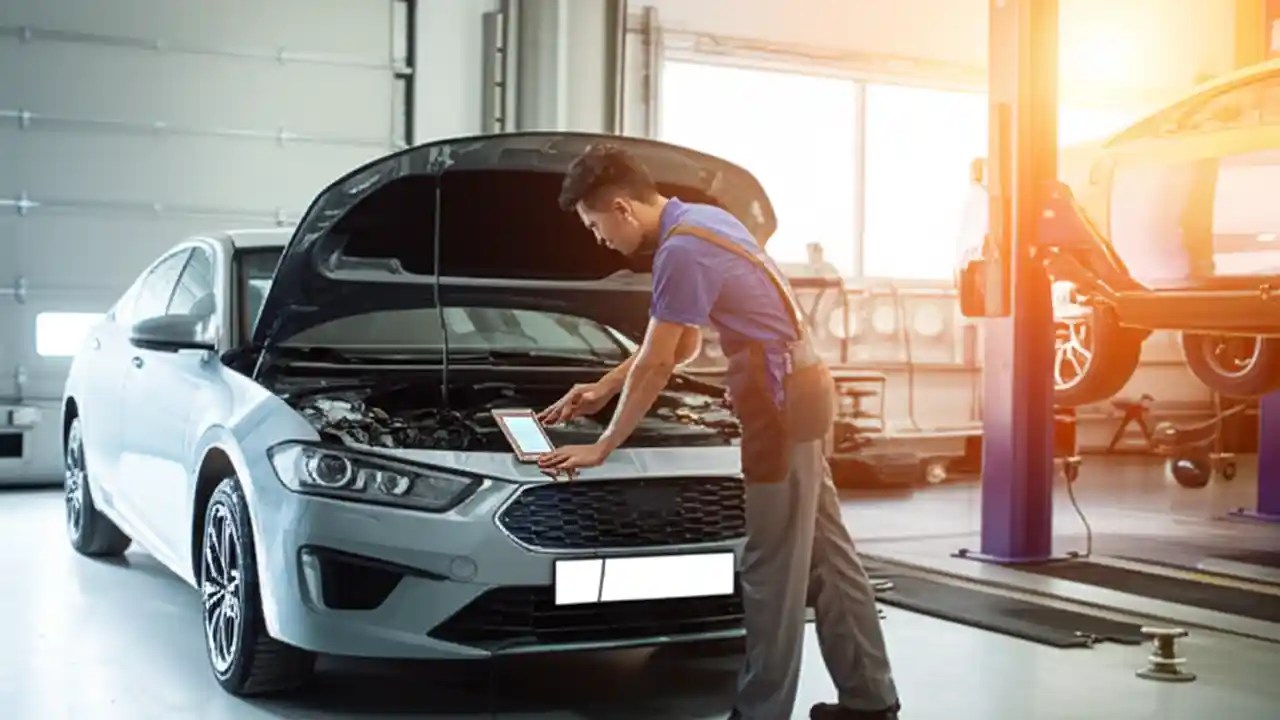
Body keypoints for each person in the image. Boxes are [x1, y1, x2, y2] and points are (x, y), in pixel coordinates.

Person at [536, 144, 901, 720]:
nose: (598, 239)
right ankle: (870, 699)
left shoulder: (681, 251)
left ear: (623, 209)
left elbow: (659, 363)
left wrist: (604, 445)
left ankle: (760, 712)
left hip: (777, 405)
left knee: (772, 571)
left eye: (595, 224)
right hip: (799, 390)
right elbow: (679, 345)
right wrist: (603, 388)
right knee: (829, 559)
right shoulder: (705, 221)